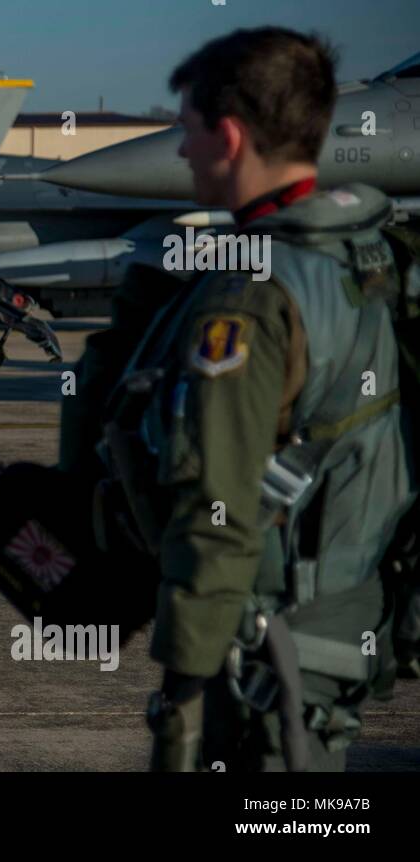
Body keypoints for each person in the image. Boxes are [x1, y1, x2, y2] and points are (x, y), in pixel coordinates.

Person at [88, 27, 415, 771]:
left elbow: (220, 500)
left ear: (229, 136)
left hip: (264, 643)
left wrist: (186, 680)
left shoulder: (250, 295)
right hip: (341, 619)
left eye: (189, 131)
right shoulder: (361, 253)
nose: (181, 152)